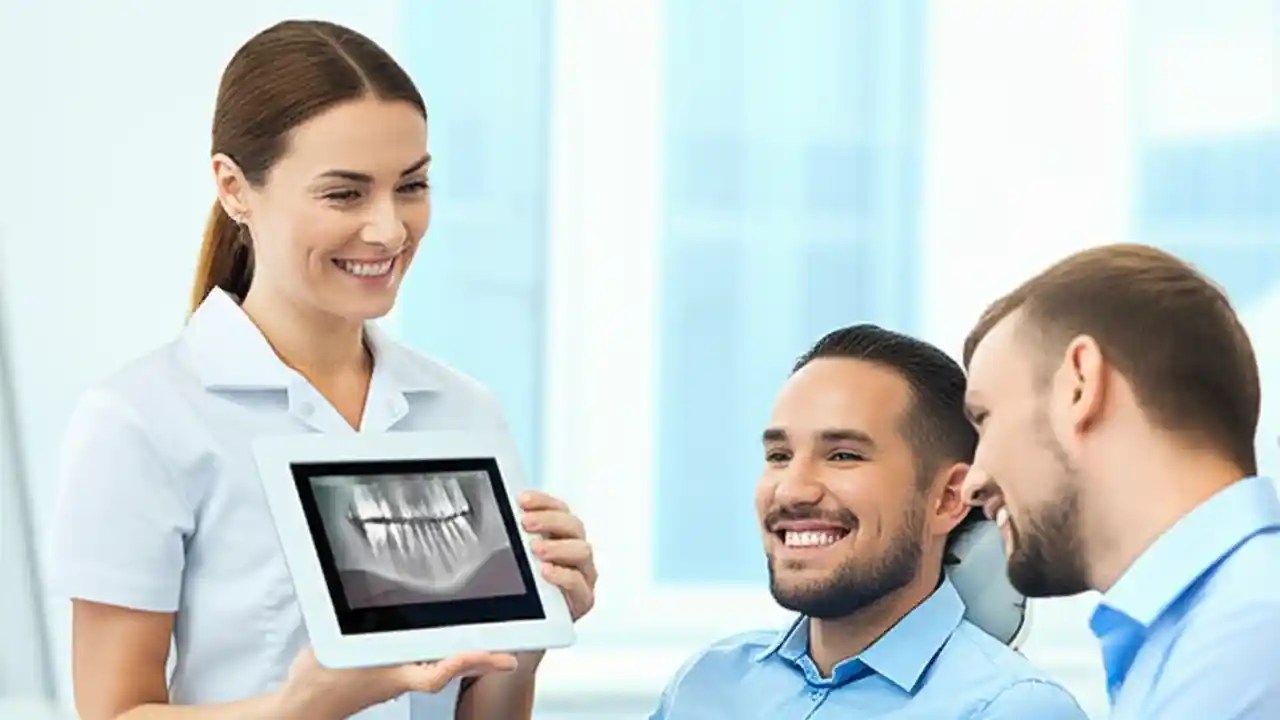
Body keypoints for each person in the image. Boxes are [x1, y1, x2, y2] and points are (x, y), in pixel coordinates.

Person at [48, 20, 596, 720]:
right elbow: (112, 713)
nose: (389, 229)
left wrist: (531, 636)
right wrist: (294, 709)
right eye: (345, 194)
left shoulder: (463, 411)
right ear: (234, 187)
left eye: (412, 185)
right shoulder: (142, 419)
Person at [650, 325, 1085, 719]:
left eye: (843, 455)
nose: (791, 490)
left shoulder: (1011, 708)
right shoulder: (705, 684)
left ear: (948, 497)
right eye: (779, 456)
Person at [960, 243, 1280, 718]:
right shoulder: (1199, 636)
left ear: (1079, 386)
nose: (972, 483)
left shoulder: (1248, 635)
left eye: (984, 418)